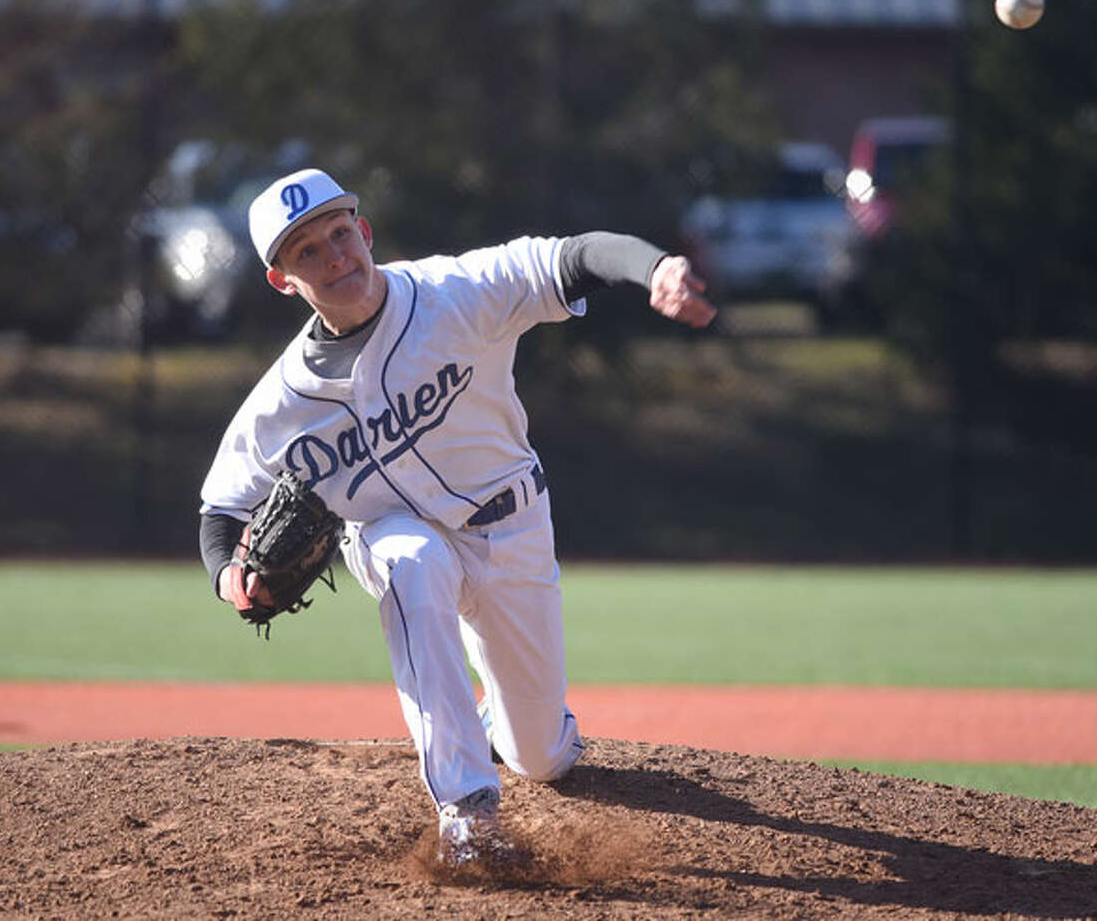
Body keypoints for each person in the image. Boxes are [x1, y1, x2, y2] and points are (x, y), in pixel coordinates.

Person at [197, 168, 716, 864]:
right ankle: (466, 811)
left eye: (340, 234)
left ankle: (497, 730)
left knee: (543, 758)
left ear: (365, 231)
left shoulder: (457, 293)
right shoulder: (282, 401)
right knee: (412, 563)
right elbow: (221, 509)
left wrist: (654, 268)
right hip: (394, 536)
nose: (335, 258)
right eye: (307, 252)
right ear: (282, 279)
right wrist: (232, 578)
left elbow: (578, 254)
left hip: (514, 529)